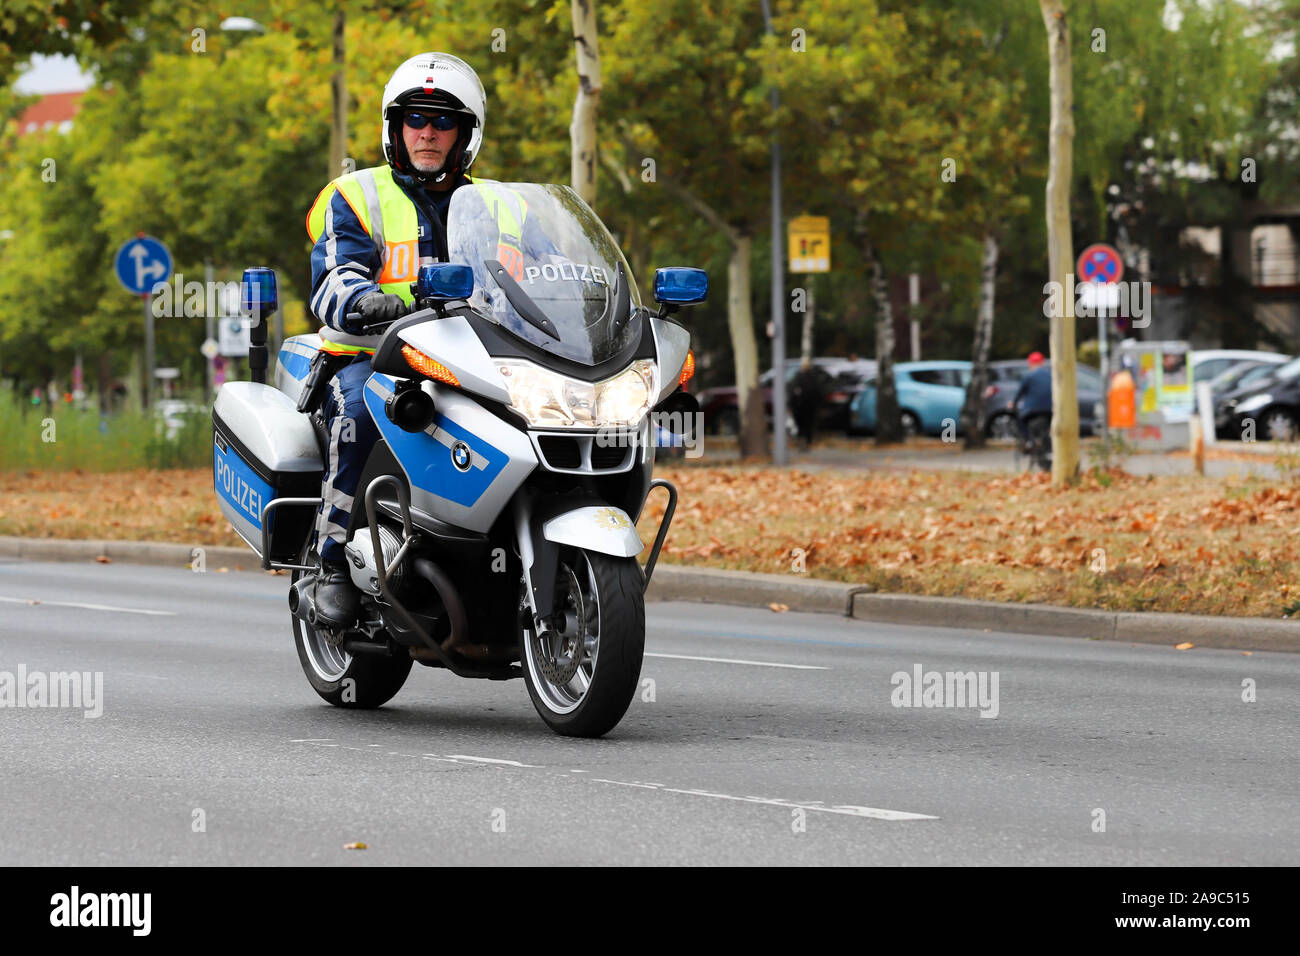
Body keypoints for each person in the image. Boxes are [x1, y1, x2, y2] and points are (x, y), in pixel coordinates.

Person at [303, 52, 489, 628]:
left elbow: (542, 272)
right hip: (374, 359)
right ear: (394, 127)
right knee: (360, 412)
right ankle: (329, 564)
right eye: (415, 119)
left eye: (442, 121)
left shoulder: (494, 208)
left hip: (474, 362)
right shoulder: (355, 194)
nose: (427, 132)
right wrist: (363, 299)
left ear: (464, 134)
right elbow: (332, 276)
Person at [1014, 350, 1053, 453]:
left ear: (1030, 363)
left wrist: (1013, 403)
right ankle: (1049, 442)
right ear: (1042, 362)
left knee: (1020, 420)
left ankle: (1028, 441)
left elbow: (1020, 393)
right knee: (1048, 427)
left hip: (1032, 410)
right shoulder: (1050, 375)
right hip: (1050, 409)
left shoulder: (1029, 376)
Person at [789, 359, 826, 450]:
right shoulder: (814, 378)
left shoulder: (799, 377)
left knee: (801, 423)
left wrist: (791, 403)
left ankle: (802, 439)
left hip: (800, 405)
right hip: (810, 405)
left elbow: (792, 391)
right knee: (809, 423)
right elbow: (819, 392)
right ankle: (807, 440)